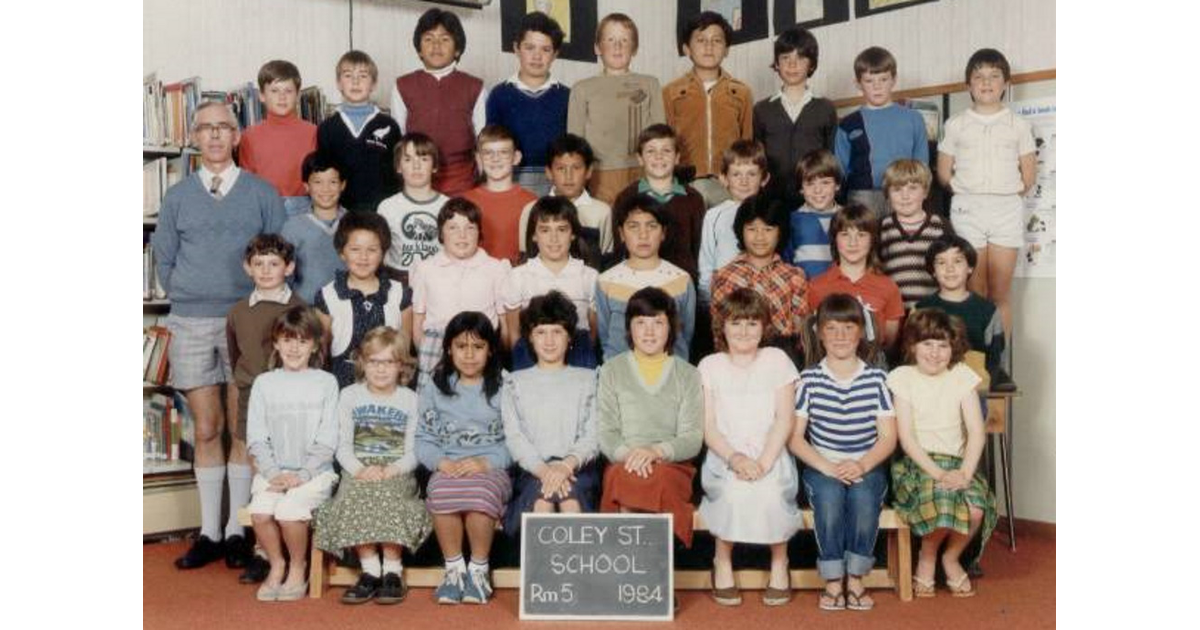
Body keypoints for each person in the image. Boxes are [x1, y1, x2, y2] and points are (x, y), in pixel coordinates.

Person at [152, 100, 285, 571]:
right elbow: (164, 258)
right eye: (205, 128)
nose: (213, 135)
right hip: (190, 321)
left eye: (222, 127)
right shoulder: (177, 197)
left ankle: (236, 531)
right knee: (207, 428)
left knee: (243, 429)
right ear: (193, 136)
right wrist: (190, 291)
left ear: (236, 135)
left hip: (248, 320)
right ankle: (209, 532)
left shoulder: (262, 193)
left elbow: (279, 251)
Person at [790, 293, 897, 611]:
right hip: (823, 464)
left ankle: (857, 578)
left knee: (864, 499)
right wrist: (826, 467)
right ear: (819, 333)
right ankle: (834, 580)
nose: (840, 336)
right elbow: (795, 438)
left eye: (848, 328)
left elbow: (888, 438)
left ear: (861, 332)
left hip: (866, 463)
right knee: (829, 498)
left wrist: (862, 465)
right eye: (831, 328)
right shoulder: (809, 379)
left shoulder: (877, 379)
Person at [314, 326, 432, 605]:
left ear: (401, 365)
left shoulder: (411, 400)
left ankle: (392, 570)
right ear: (362, 363)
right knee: (354, 495)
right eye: (374, 361)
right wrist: (358, 469)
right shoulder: (349, 396)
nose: (380, 369)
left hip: (397, 469)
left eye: (388, 362)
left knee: (390, 497)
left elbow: (415, 448)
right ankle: (369, 570)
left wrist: (394, 469)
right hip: (358, 468)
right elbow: (342, 445)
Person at [698, 288, 800, 607]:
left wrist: (764, 462)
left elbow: (784, 419)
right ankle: (722, 562)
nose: (744, 331)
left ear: (764, 327)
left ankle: (780, 563)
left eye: (752, 323)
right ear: (723, 327)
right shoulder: (709, 365)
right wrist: (736, 458)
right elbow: (708, 427)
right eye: (736, 323)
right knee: (733, 492)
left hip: (771, 453)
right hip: (725, 455)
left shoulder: (777, 360)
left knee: (770, 492)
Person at [888, 308, 998, 598]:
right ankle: (927, 556)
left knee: (975, 509)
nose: (935, 353)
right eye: (927, 344)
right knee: (943, 502)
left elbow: (976, 432)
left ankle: (950, 557)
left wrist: (965, 473)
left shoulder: (962, 376)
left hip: (959, 465)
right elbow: (907, 438)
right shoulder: (903, 377)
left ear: (954, 348)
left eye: (943, 345)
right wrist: (938, 474)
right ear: (913, 345)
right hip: (920, 464)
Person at [936, 48, 1036, 337]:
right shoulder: (956, 124)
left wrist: (1001, 195)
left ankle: (997, 357)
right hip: (968, 209)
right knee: (974, 291)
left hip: (1006, 209)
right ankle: (974, 356)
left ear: (1006, 83)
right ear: (968, 84)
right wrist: (968, 193)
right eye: (979, 76)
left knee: (1000, 293)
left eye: (994, 76)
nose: (986, 82)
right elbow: (944, 173)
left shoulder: (1019, 125)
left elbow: (1029, 176)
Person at [415, 312, 512, 606]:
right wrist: (441, 463)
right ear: (448, 349)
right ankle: (454, 570)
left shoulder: (505, 385)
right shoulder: (435, 386)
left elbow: (517, 440)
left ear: (490, 350)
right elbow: (423, 438)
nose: (469, 355)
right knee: (440, 489)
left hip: (491, 467)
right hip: (449, 465)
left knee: (480, 492)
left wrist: (486, 463)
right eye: (461, 346)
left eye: (478, 347)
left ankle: (479, 570)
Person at [224, 234, 306, 581]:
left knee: (289, 461)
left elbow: (312, 354)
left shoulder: (300, 308)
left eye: (274, 263)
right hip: (251, 395)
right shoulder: (238, 311)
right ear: (247, 268)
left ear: (289, 267)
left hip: (291, 399)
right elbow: (236, 356)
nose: (266, 270)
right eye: (258, 263)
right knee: (259, 464)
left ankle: (291, 544)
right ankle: (261, 548)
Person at [597, 287, 703, 551]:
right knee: (623, 478)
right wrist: (632, 456)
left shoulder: (688, 374)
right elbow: (607, 432)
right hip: (625, 462)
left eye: (658, 322)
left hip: (671, 465)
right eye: (641, 322)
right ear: (629, 328)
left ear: (671, 328)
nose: (649, 331)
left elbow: (692, 437)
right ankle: (629, 568)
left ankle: (653, 572)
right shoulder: (611, 370)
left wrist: (655, 452)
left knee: (658, 480)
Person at [246, 305, 340, 602]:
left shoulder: (326, 382)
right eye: (287, 340)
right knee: (260, 512)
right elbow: (256, 437)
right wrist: (274, 473)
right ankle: (277, 564)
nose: (294, 348)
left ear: (315, 345)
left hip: (315, 472)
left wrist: (303, 474)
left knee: (288, 512)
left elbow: (328, 437)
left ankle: (298, 567)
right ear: (276, 343)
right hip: (273, 472)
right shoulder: (264, 383)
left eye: (302, 340)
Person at [501, 291, 600, 535]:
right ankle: (539, 562)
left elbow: (594, 434)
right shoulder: (514, 383)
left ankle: (575, 560)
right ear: (530, 337)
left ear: (570, 337)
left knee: (570, 501)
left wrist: (565, 466)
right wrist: (545, 472)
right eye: (541, 332)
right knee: (542, 501)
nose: (549, 340)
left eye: (557, 331)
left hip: (577, 470)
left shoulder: (589, 379)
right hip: (533, 471)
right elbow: (515, 437)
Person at [410, 198, 510, 388]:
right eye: (453, 228)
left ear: (479, 232)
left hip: (480, 347)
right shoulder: (425, 269)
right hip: (436, 348)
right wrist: (425, 354)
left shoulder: (495, 268)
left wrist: (499, 355)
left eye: (470, 228)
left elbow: (504, 323)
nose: (462, 235)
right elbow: (418, 320)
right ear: (441, 233)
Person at [567, 12, 666, 203]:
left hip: (642, 171)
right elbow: (574, 144)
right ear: (597, 47)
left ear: (634, 48)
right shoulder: (582, 89)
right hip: (599, 175)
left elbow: (660, 137)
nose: (617, 46)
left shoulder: (650, 84)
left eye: (624, 40)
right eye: (610, 40)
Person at [392, 7, 487, 196]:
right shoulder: (402, 85)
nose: (436, 46)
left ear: (457, 49)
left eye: (445, 39)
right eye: (428, 39)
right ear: (419, 49)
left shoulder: (475, 86)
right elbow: (400, 139)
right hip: (418, 181)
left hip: (464, 182)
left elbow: (482, 141)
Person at [663, 10, 754, 207]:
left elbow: (747, 144)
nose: (709, 47)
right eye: (701, 40)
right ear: (687, 49)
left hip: (728, 184)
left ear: (727, 49)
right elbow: (665, 143)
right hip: (685, 183)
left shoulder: (741, 92)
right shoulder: (671, 92)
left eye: (717, 40)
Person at [314, 212, 413, 389]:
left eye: (372, 250)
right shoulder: (328, 295)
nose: (363, 257)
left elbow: (404, 351)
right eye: (355, 249)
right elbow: (322, 354)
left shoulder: (399, 294)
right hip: (342, 386)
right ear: (342, 252)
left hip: (389, 387)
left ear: (383, 253)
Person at [709, 196, 809, 363]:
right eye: (752, 229)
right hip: (737, 360)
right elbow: (719, 332)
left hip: (782, 360)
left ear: (780, 232)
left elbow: (800, 332)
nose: (760, 237)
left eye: (768, 229)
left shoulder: (794, 276)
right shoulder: (724, 276)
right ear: (741, 231)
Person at [596, 194, 695, 361]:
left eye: (652, 226)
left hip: (671, 371)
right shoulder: (606, 281)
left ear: (663, 233)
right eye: (633, 227)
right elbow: (604, 336)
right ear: (621, 233)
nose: (643, 235)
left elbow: (685, 334)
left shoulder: (681, 280)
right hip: (621, 372)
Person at [502, 197, 598, 369]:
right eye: (545, 230)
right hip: (531, 354)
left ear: (573, 234)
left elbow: (593, 332)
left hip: (577, 353)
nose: (554, 238)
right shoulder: (518, 276)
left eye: (562, 229)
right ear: (534, 235)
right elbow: (514, 335)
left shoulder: (589, 276)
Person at [834, 46, 929, 218]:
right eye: (869, 81)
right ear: (858, 83)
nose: (877, 87)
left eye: (883, 79)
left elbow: (922, 165)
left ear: (894, 80)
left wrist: (915, 192)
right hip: (862, 195)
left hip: (903, 192)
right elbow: (839, 170)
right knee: (864, 235)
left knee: (899, 235)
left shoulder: (913, 118)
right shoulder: (848, 124)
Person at [486, 11, 570, 196]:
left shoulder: (567, 96)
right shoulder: (500, 94)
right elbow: (490, 143)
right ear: (516, 48)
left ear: (555, 54)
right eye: (529, 47)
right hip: (511, 177)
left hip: (555, 178)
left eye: (545, 49)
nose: (537, 56)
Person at [805, 204, 904, 361]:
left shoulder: (888, 287)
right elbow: (813, 337)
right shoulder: (817, 286)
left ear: (872, 240)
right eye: (845, 234)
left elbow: (889, 340)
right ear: (835, 239)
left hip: (873, 363)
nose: (853, 243)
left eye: (861, 235)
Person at [611, 124, 706, 283]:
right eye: (651, 151)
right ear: (640, 158)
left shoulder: (693, 199)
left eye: (666, 151)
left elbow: (698, 248)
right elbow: (619, 247)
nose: (659, 157)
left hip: (681, 283)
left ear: (677, 157)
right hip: (637, 282)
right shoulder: (626, 197)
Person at [754, 26, 837, 208]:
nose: (792, 65)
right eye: (785, 58)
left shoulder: (825, 108)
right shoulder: (761, 110)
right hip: (772, 200)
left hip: (815, 200)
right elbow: (757, 160)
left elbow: (832, 157)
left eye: (800, 58)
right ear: (777, 64)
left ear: (811, 64)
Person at [916, 235, 1012, 391]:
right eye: (941, 262)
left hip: (975, 389)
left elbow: (996, 358)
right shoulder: (921, 309)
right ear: (933, 271)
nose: (950, 269)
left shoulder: (987, 310)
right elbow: (911, 356)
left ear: (970, 267)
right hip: (931, 389)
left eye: (957, 261)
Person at [316, 50, 402, 213]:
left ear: (373, 84)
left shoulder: (389, 126)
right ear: (339, 83)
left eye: (363, 76)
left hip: (382, 211)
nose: (355, 82)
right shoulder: (327, 128)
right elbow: (323, 175)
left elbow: (398, 173)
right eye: (348, 76)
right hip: (341, 212)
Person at [516, 134, 614, 270]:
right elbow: (526, 255)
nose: (569, 176)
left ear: (588, 171)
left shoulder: (602, 212)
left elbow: (606, 258)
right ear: (549, 172)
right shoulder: (531, 209)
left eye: (576, 168)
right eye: (561, 168)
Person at [238, 59, 318, 217]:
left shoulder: (313, 132)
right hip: (264, 208)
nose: (282, 97)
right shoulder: (249, 136)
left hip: (304, 207)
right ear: (262, 95)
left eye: (288, 91)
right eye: (274, 91)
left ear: (298, 95)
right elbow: (247, 182)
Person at [698, 140, 771, 304]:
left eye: (751, 174)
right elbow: (706, 263)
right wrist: (707, 300)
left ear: (764, 178)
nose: (744, 181)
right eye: (736, 174)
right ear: (724, 178)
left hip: (763, 297)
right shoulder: (713, 216)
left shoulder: (771, 213)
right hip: (724, 298)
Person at [876, 159, 951, 309]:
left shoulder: (940, 225)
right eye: (897, 189)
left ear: (925, 192)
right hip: (894, 310)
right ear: (887, 194)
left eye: (913, 188)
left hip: (932, 310)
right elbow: (875, 268)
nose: (905, 196)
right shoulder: (882, 227)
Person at [462, 125, 539, 265]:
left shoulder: (532, 202)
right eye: (488, 153)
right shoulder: (464, 201)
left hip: (517, 274)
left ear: (516, 158)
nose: (495, 159)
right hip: (475, 274)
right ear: (478, 158)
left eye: (503, 152)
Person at [280, 151, 348, 303]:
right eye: (318, 182)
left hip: (347, 307)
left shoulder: (355, 224)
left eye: (333, 182)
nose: (326, 189)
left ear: (343, 185)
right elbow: (284, 275)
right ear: (306, 186)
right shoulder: (293, 227)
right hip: (305, 307)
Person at [378, 133, 449, 275]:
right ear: (398, 167)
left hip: (439, 278)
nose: (416, 166)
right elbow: (380, 253)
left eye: (424, 159)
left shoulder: (448, 205)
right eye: (408, 159)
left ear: (434, 166)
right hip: (398, 278)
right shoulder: (387, 207)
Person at [787, 149, 843, 279]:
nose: (818, 190)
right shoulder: (793, 220)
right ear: (801, 188)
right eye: (810, 184)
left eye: (825, 182)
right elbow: (786, 262)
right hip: (805, 287)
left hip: (841, 288)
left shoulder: (849, 217)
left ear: (837, 185)